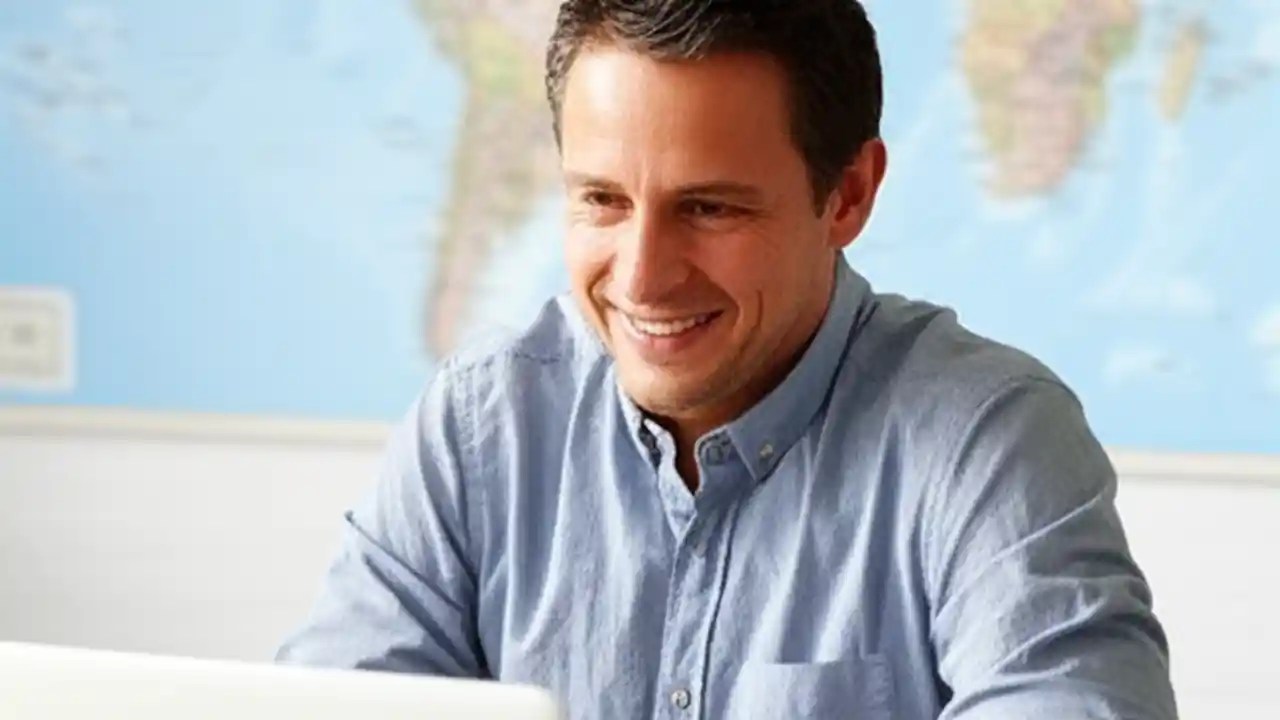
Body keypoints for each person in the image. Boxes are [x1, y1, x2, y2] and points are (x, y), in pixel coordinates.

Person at [278, 1, 1178, 717]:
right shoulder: (480, 426)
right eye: (601, 199)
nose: (641, 278)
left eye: (709, 209)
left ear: (849, 194)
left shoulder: (988, 443)